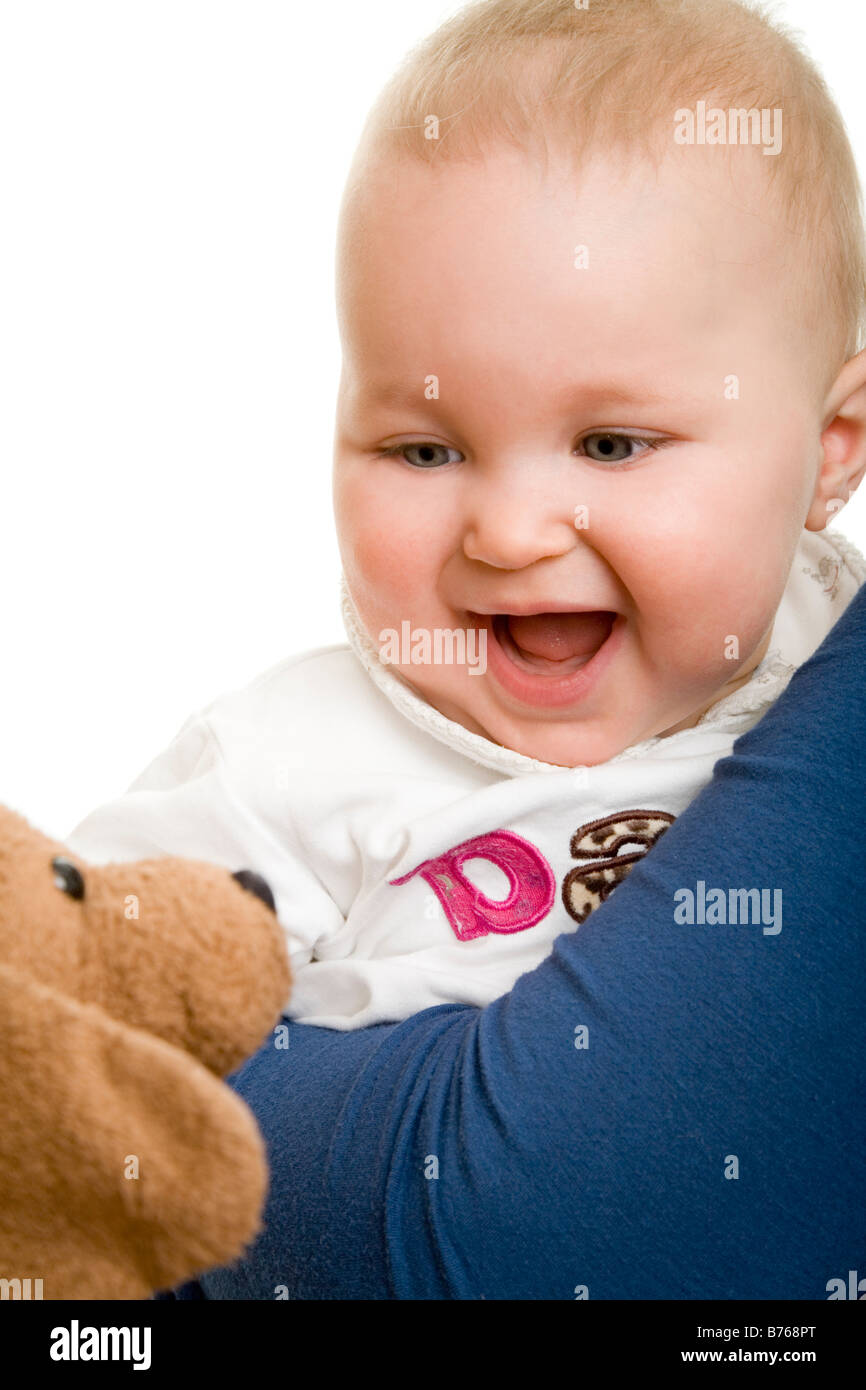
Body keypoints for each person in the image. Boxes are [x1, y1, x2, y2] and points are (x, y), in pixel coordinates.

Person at [64, 0, 866, 1295]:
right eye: (423, 448)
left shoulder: (828, 676)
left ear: (826, 453)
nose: (504, 529)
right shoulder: (285, 761)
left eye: (611, 443)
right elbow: (66, 994)